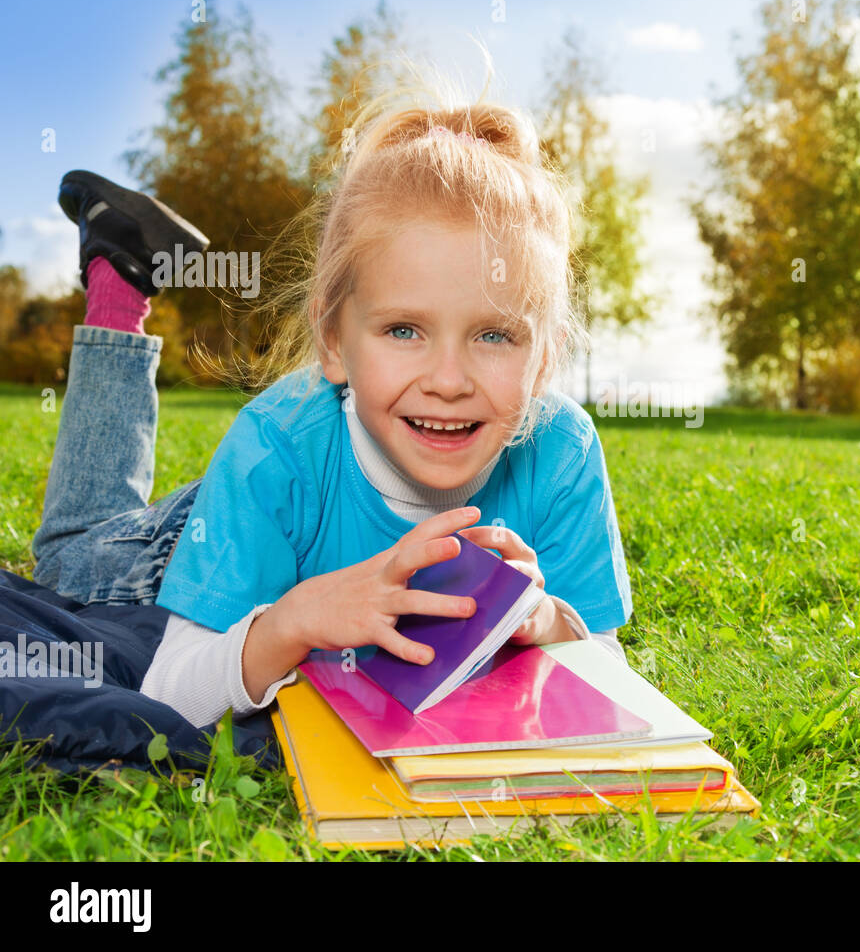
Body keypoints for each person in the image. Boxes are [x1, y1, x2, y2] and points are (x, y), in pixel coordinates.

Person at [31, 99, 634, 732]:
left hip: (283, 506)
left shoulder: (562, 452)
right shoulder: (274, 447)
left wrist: (547, 623)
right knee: (68, 555)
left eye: (494, 336)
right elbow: (170, 694)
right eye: (404, 330)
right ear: (333, 340)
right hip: (210, 532)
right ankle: (118, 277)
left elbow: (610, 680)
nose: (449, 382)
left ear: (545, 359)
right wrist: (290, 622)